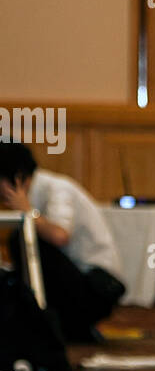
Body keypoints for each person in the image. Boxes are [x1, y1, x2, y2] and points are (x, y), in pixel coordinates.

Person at [0, 142, 126, 343]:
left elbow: (60, 236)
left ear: (15, 178)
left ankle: (64, 324)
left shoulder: (57, 188)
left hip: (99, 287)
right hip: (79, 281)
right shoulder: (38, 190)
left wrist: (28, 211)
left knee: (23, 240)